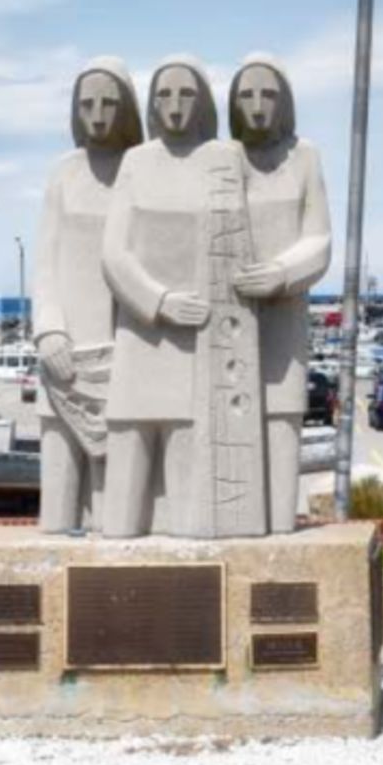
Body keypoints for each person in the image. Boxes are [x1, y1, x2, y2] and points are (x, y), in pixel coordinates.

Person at [101, 54, 264, 538]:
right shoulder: (136, 162)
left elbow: (242, 243)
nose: (174, 106)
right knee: (122, 513)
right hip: (143, 336)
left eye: (185, 94)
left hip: (202, 351)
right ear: (151, 105)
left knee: (191, 517)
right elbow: (114, 253)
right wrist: (159, 301)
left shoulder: (223, 161)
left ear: (203, 102)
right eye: (164, 95)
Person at [31, 57, 144, 535]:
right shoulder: (64, 173)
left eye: (109, 104)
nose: (98, 115)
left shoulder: (141, 170)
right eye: (88, 104)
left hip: (126, 352)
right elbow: (45, 263)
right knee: (58, 489)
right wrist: (49, 330)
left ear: (127, 110)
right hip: (64, 354)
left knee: (113, 502)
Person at [228, 54, 332, 535]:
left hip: (283, 315)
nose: (256, 105)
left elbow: (321, 241)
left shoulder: (304, 157)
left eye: (267, 94)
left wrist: (281, 273)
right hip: (229, 321)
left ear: (284, 101)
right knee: (231, 428)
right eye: (246, 94)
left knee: (281, 418)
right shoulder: (222, 161)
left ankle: (279, 533)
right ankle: (237, 526)